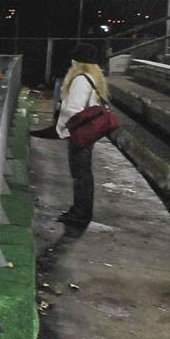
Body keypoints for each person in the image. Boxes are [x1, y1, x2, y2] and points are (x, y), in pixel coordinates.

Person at [54, 42, 108, 237]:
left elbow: (73, 109)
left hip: (79, 134)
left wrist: (62, 125)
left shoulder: (80, 80)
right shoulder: (95, 77)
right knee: (83, 174)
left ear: (78, 61)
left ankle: (80, 214)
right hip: (88, 133)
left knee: (80, 175)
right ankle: (80, 211)